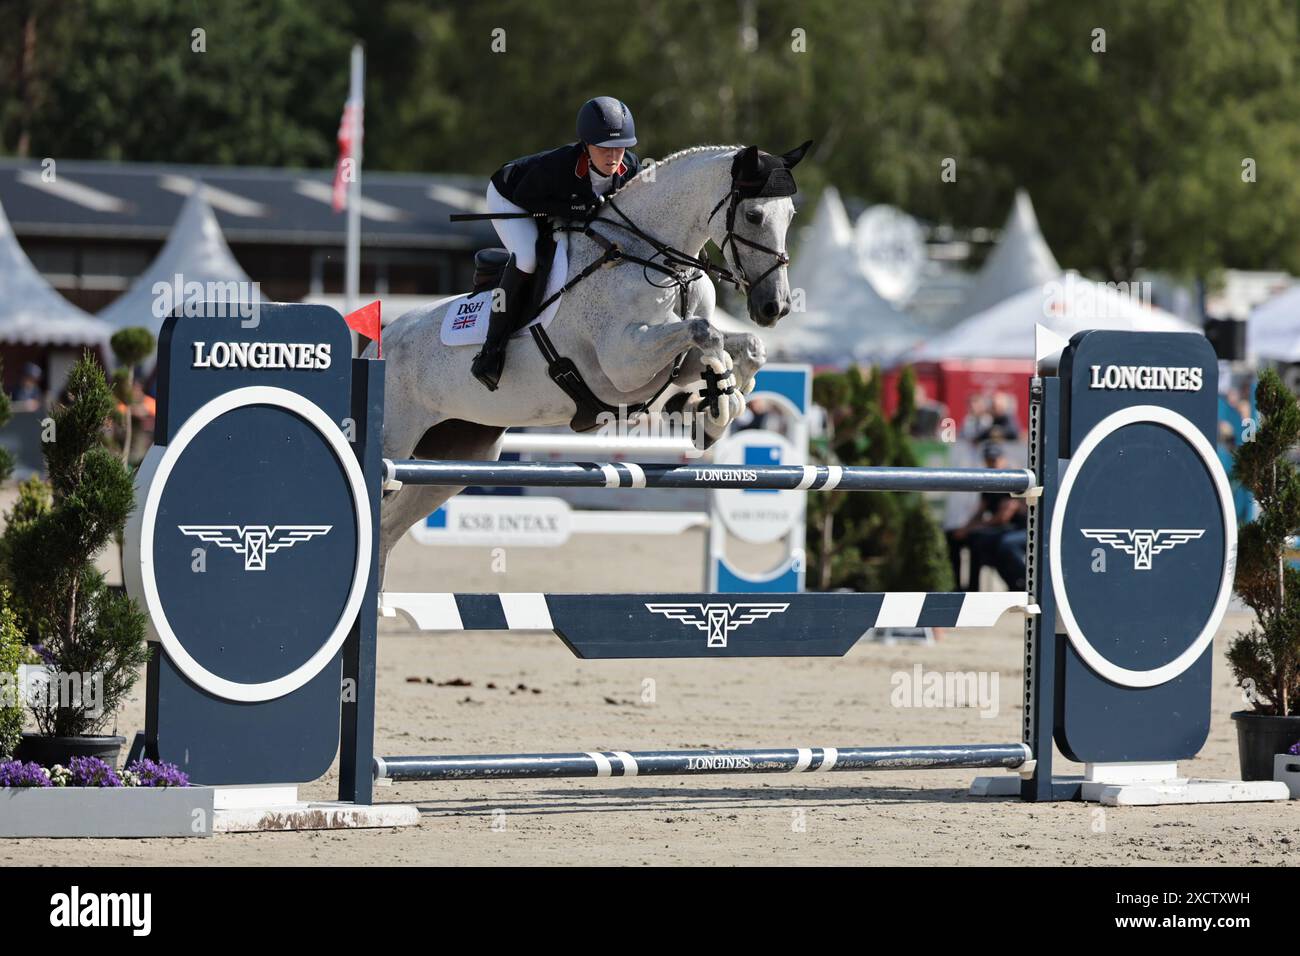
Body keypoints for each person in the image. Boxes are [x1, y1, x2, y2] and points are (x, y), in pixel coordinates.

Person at [473, 96, 642, 390]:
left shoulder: (632, 167)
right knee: (527, 257)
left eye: (620, 146)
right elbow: (528, 198)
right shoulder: (560, 167)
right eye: (604, 148)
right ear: (586, 145)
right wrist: (573, 209)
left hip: (551, 201)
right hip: (512, 197)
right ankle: (491, 350)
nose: (614, 156)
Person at [948, 442, 1028, 591]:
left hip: (1022, 529)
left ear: (1003, 459)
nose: (992, 463)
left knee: (1004, 544)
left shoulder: (1012, 478)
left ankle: (1027, 584)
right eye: (989, 460)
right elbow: (980, 512)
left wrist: (977, 526)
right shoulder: (990, 482)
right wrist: (965, 529)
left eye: (995, 459)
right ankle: (966, 589)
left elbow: (1003, 516)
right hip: (1003, 529)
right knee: (965, 538)